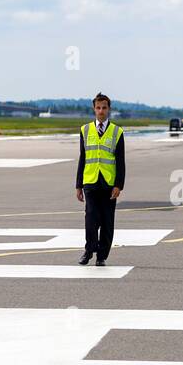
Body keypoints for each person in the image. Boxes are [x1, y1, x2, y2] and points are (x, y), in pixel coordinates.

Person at [74, 92, 125, 266]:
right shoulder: (85, 130)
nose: (101, 111)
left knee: (107, 221)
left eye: (104, 108)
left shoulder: (117, 132)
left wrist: (119, 185)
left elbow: (120, 161)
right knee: (91, 218)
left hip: (109, 183)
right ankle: (89, 250)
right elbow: (83, 158)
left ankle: (102, 256)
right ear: (94, 109)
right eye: (98, 108)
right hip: (90, 181)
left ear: (108, 109)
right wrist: (78, 185)